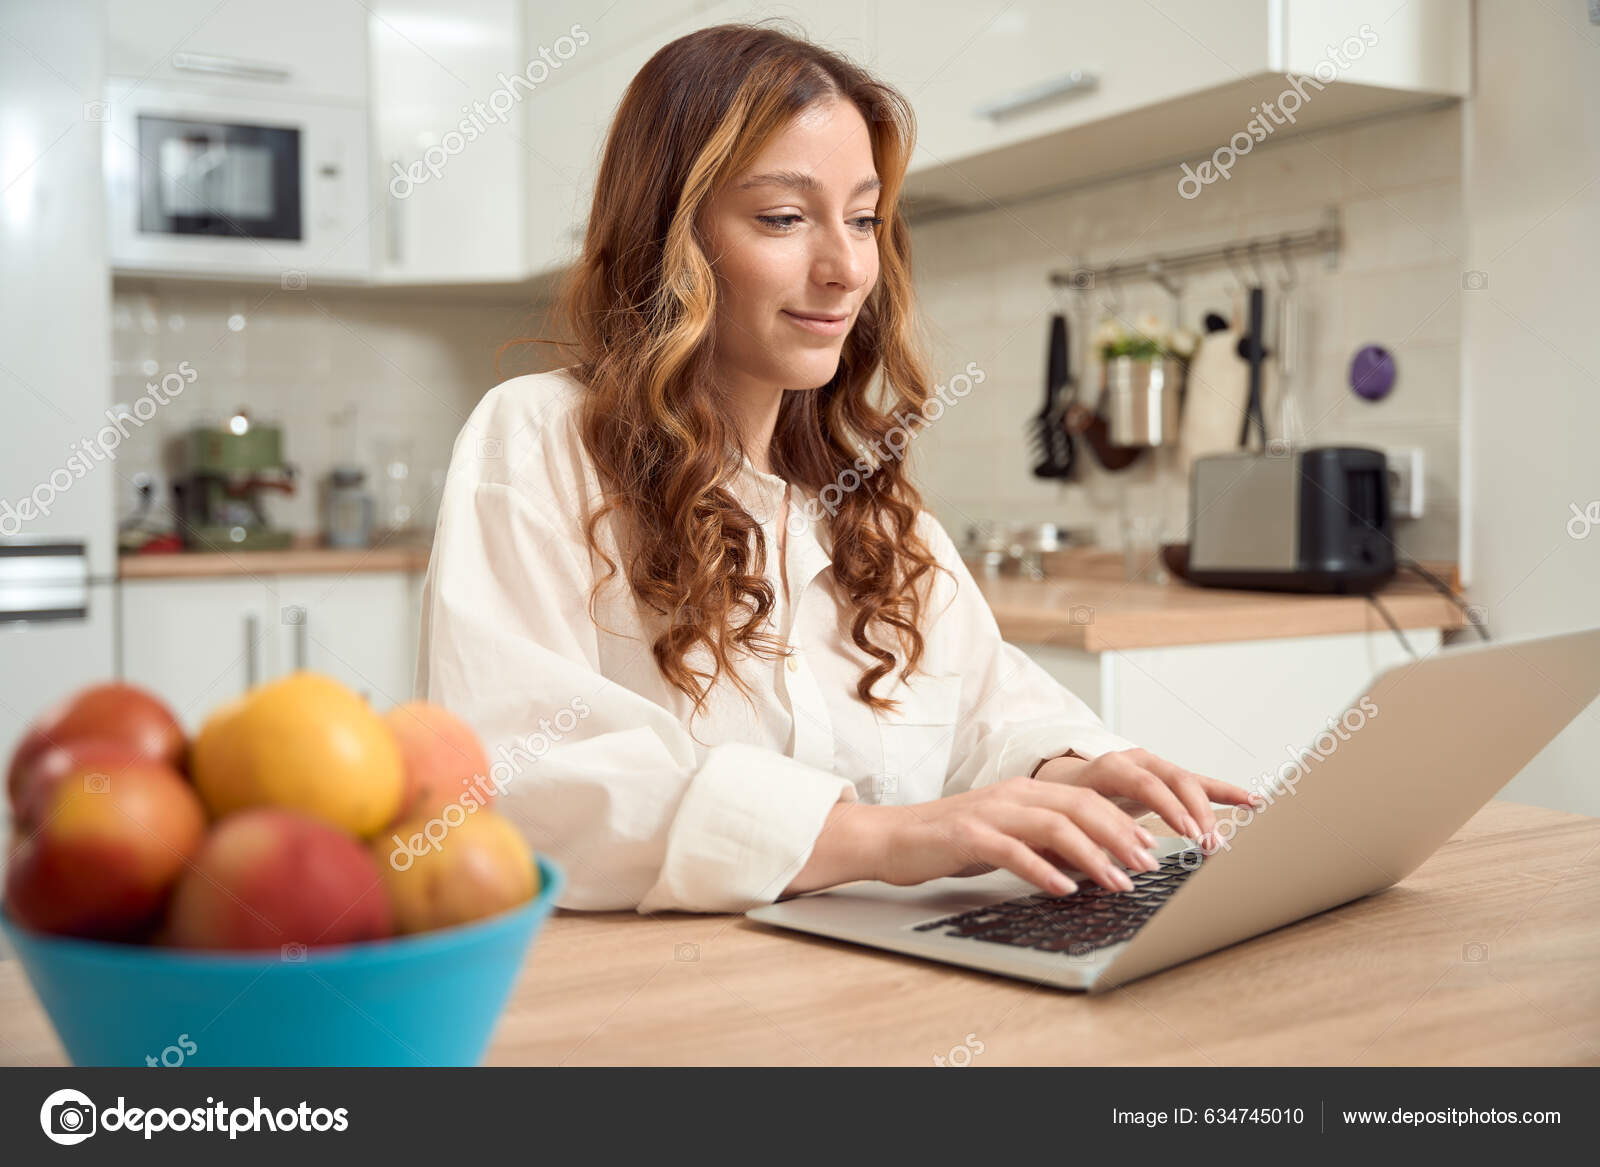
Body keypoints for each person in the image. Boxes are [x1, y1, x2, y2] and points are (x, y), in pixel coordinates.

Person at [416, 22, 1258, 914]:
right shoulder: (538, 440)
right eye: (783, 218)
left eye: (863, 219)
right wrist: (884, 840)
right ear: (669, 235)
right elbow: (519, 779)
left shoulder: (866, 505)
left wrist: (1078, 772)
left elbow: (987, 709)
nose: (849, 267)